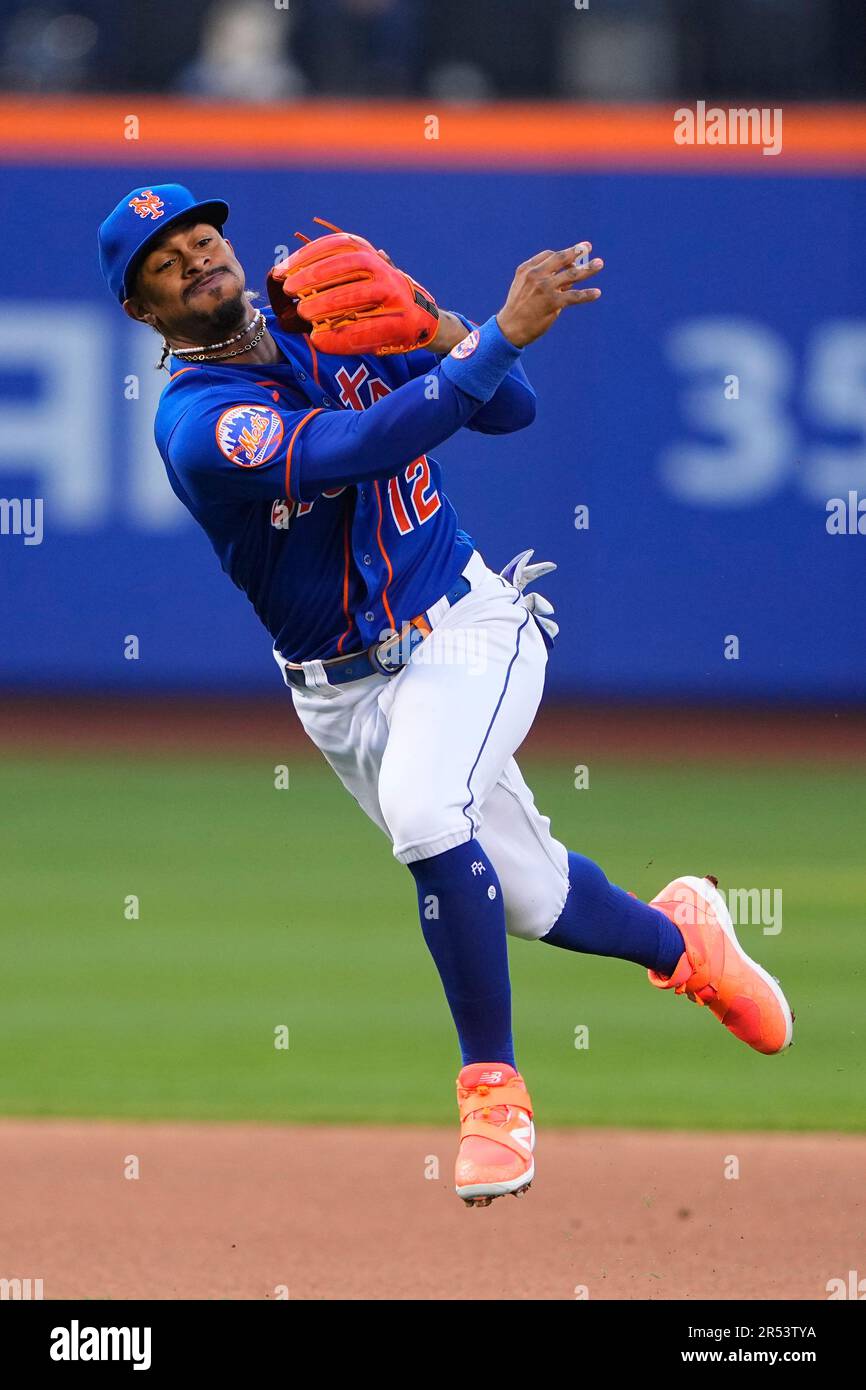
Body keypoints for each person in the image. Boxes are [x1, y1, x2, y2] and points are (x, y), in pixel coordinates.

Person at [98, 184, 794, 1207]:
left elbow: (511, 409)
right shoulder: (198, 425)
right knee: (524, 894)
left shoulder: (321, 309)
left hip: (467, 625)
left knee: (428, 817)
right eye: (167, 262)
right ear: (142, 311)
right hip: (337, 697)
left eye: (203, 238)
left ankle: (492, 1096)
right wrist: (497, 334)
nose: (198, 258)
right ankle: (684, 941)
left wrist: (439, 324)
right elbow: (353, 447)